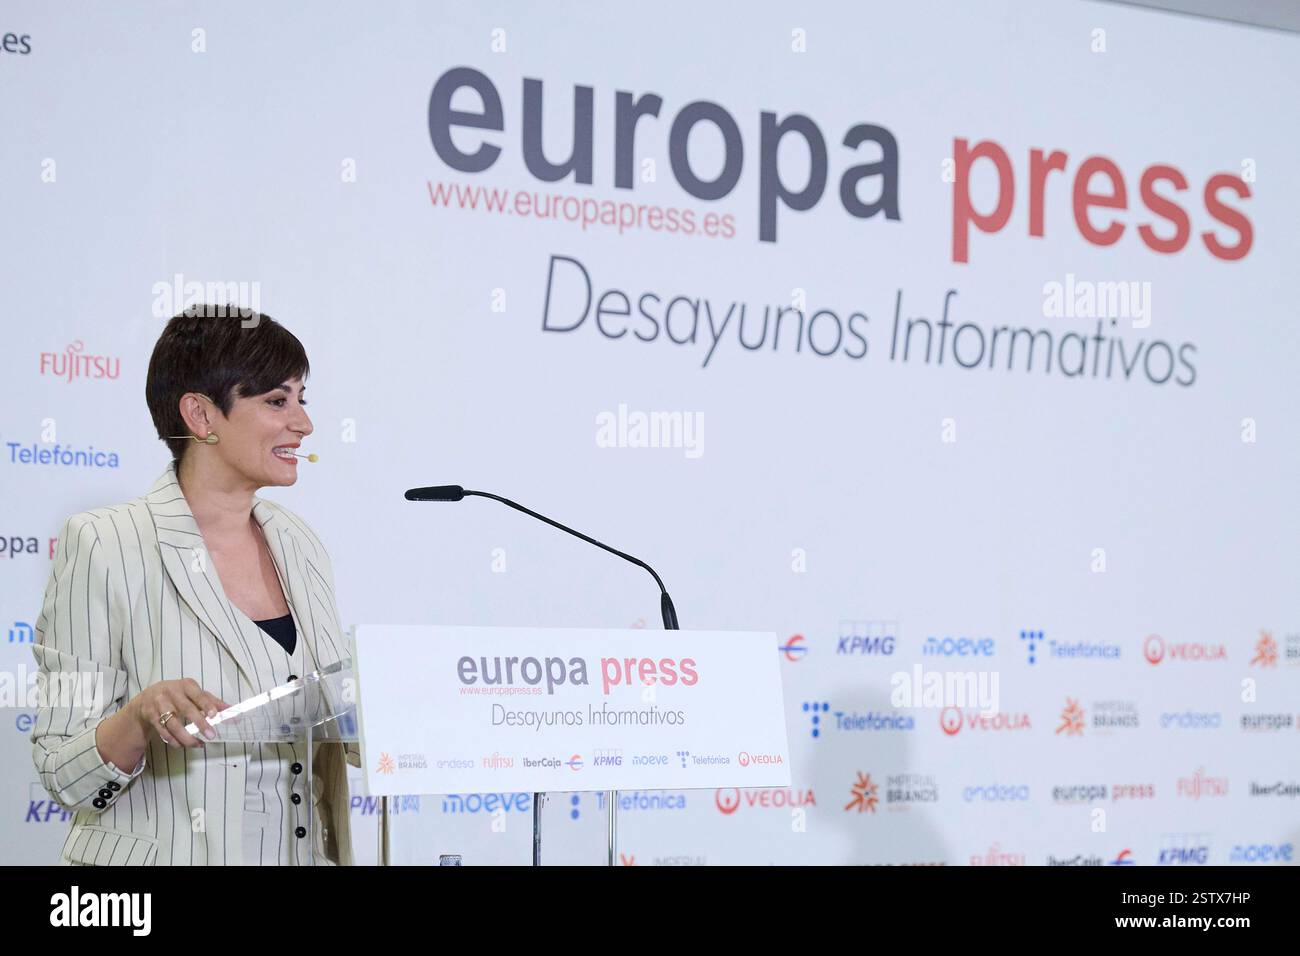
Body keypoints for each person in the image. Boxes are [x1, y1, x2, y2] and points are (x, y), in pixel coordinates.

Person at [31, 306, 355, 865]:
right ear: (202, 415)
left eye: (303, 399)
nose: (304, 424)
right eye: (277, 401)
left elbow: (338, 717)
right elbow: (65, 775)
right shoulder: (105, 542)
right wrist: (137, 717)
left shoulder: (299, 542)